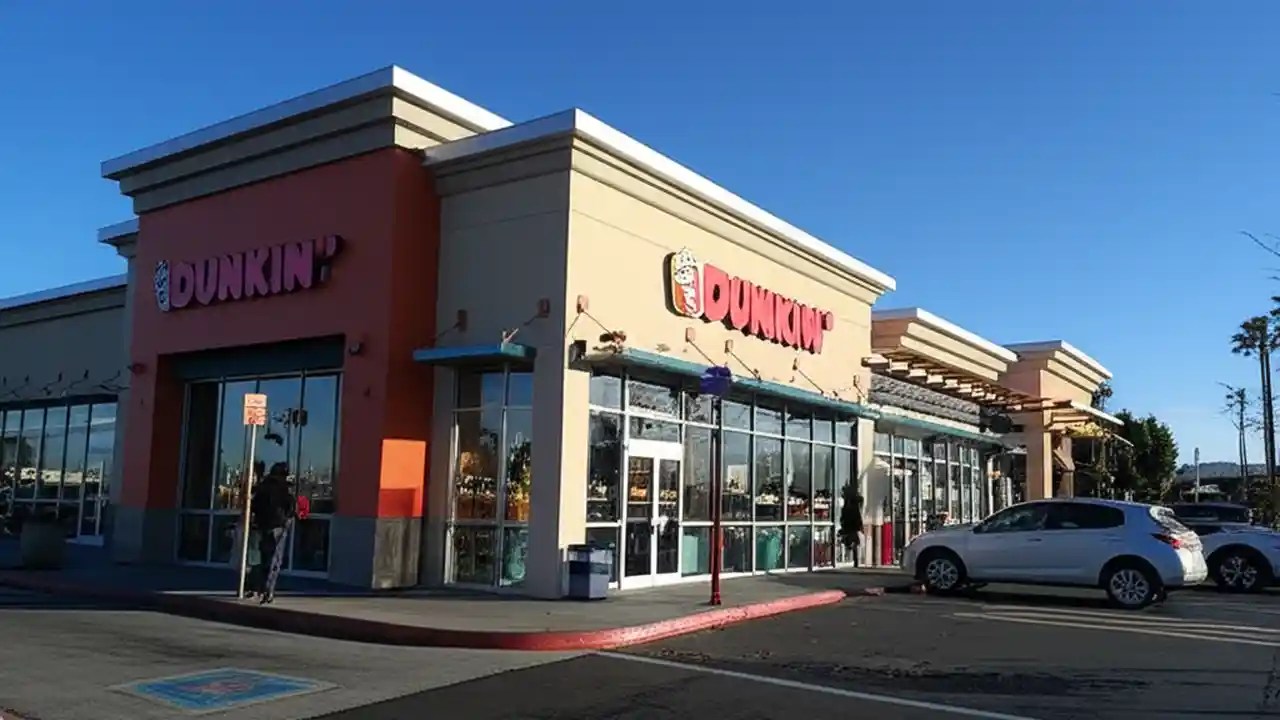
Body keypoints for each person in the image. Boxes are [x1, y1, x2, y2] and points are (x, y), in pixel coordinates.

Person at [249, 462, 296, 600]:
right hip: (277, 526)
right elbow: (291, 505)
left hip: (264, 525)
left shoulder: (263, 487)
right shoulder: (283, 488)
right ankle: (268, 590)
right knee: (275, 559)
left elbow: (254, 505)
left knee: (264, 558)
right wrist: (287, 519)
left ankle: (259, 587)